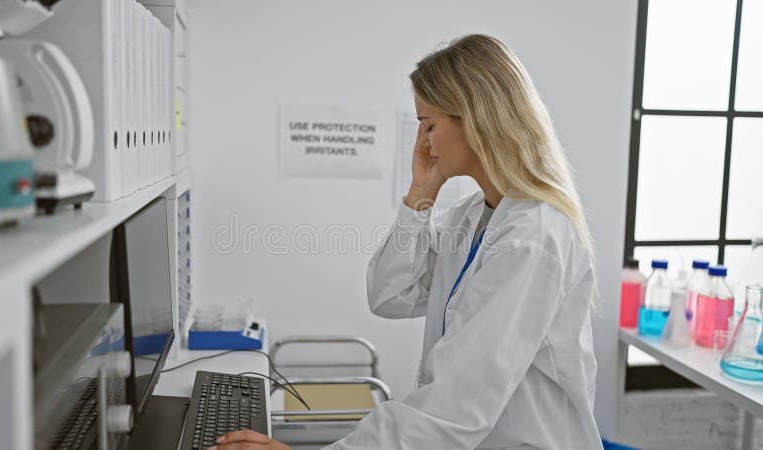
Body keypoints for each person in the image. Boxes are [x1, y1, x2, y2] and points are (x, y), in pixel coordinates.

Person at [211, 33, 602, 450]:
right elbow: (388, 294)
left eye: (429, 125)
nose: (425, 143)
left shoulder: (534, 237)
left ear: (475, 117)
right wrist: (420, 194)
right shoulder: (473, 217)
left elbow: (457, 404)